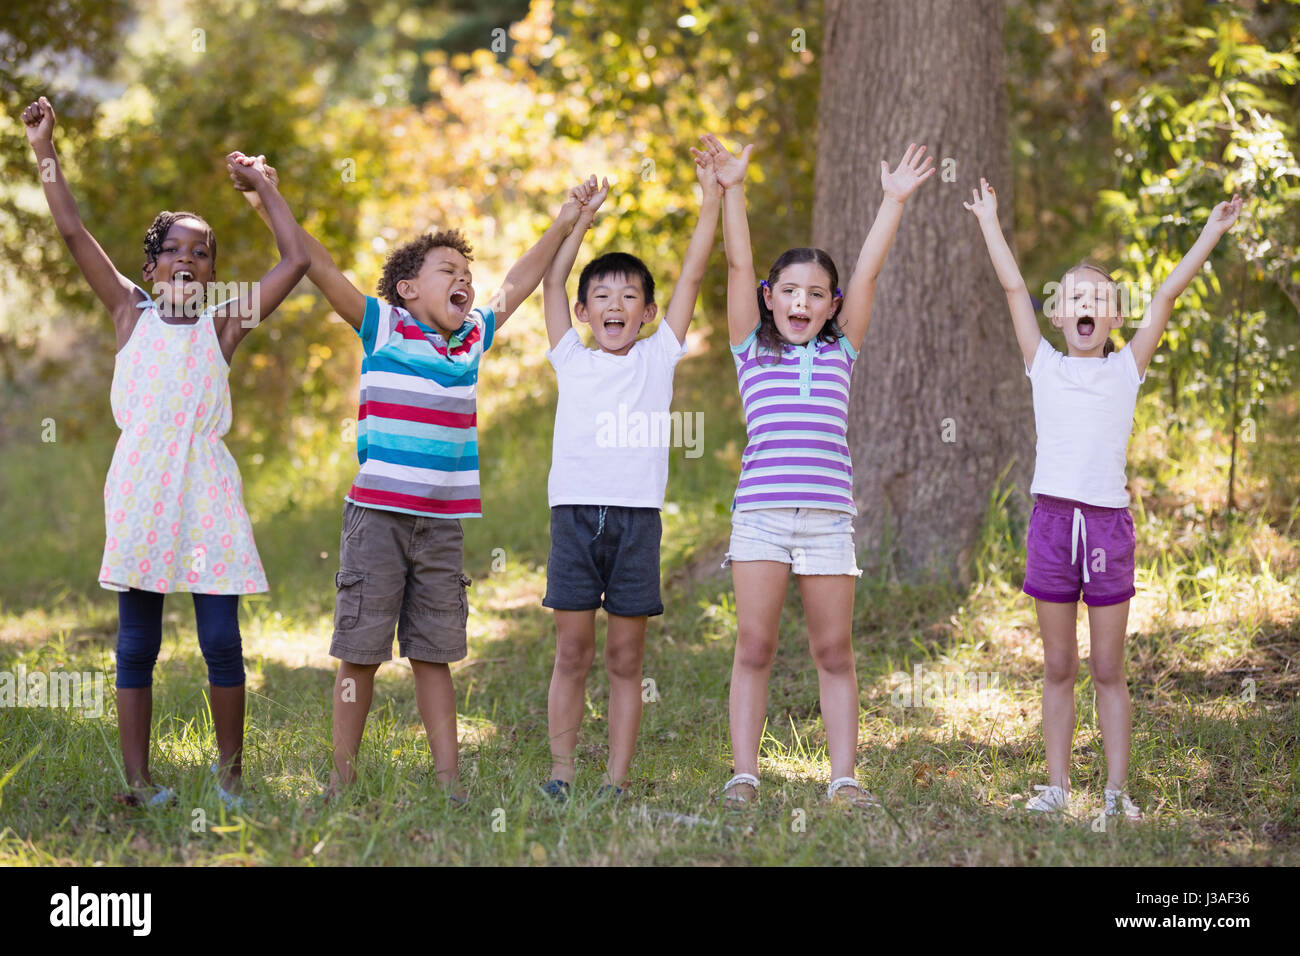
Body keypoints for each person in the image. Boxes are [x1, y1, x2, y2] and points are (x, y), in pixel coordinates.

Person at [235, 155, 591, 802]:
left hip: (441, 527)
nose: (464, 280)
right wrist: (267, 201)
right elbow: (317, 264)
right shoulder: (384, 327)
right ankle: (341, 780)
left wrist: (566, 219)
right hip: (377, 520)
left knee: (435, 653)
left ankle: (450, 784)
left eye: (467, 275)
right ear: (406, 289)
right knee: (360, 653)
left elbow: (518, 278)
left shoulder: (471, 339)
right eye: (447, 271)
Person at [23, 97, 310, 808]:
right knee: (136, 644)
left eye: (202, 252)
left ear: (212, 274)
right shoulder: (130, 314)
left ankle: (231, 779)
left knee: (221, 639)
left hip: (207, 488)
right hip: (142, 487)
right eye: (175, 250)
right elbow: (70, 229)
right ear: (151, 268)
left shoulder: (225, 327)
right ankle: (139, 781)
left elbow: (297, 259)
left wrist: (263, 190)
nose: (188, 259)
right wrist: (43, 148)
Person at [965, 176, 1242, 819]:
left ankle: (1117, 794)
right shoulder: (1043, 363)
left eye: (1099, 298)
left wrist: (1213, 230)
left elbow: (1168, 291)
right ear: (1058, 315)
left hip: (1107, 527)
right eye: (1073, 297)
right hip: (1051, 523)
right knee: (1059, 665)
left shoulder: (1126, 367)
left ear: (1114, 317)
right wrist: (988, 221)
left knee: (1108, 668)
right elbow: (1013, 287)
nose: (1085, 304)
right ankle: (1057, 787)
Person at [707, 134, 935, 808]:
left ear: (832, 305)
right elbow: (737, 260)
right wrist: (733, 189)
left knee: (834, 651)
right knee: (754, 645)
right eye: (789, 292)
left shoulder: (842, 351)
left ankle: (843, 778)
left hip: (829, 521)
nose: (801, 302)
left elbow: (867, 274)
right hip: (761, 518)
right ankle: (744, 774)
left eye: (816, 294)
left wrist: (893, 201)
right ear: (769, 298)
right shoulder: (750, 349)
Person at [538, 143, 720, 801]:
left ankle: (614, 781)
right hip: (574, 519)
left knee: (624, 658)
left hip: (637, 522)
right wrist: (579, 221)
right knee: (572, 652)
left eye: (629, 296)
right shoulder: (571, 357)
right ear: (584, 312)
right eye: (602, 296)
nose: (615, 304)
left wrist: (712, 198)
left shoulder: (657, 356)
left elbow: (692, 276)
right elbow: (551, 283)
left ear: (646, 312)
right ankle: (561, 774)